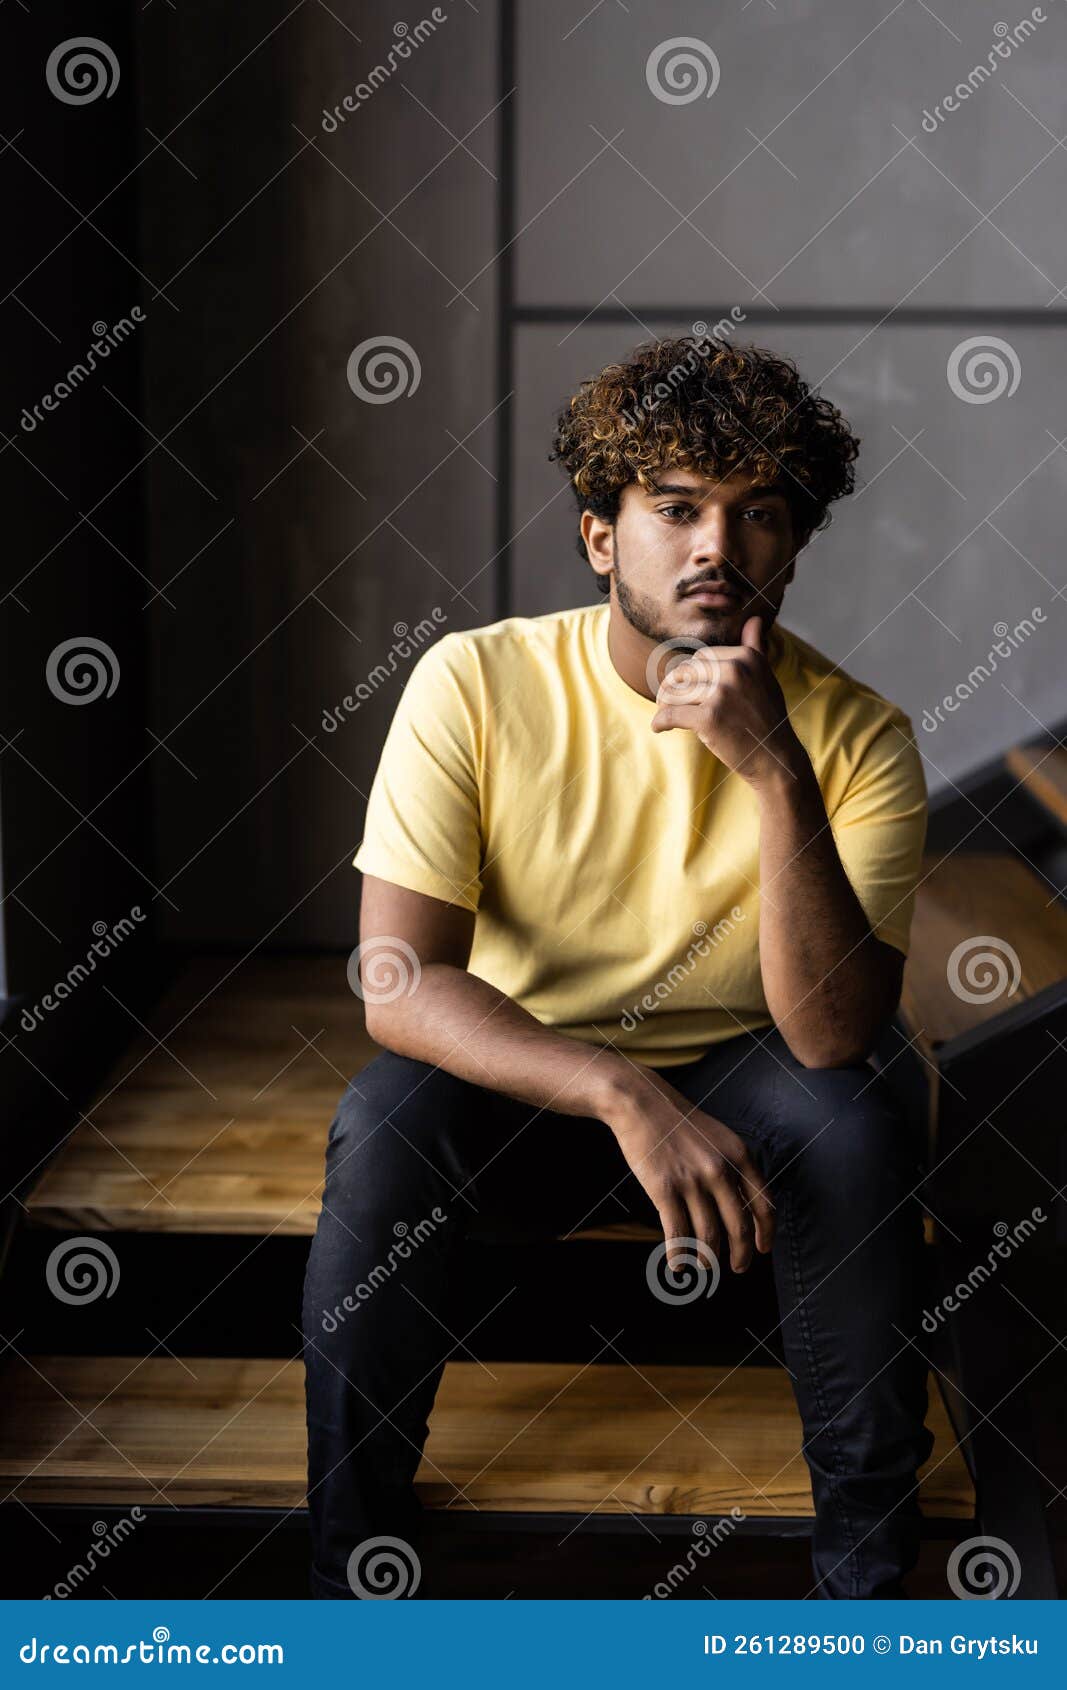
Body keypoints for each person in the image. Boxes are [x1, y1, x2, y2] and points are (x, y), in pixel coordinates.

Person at [301, 336, 935, 1600]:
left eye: (756, 513)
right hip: (529, 1073)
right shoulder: (472, 683)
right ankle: (349, 1574)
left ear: (793, 547)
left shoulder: (855, 733)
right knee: (380, 1122)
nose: (716, 546)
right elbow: (396, 981)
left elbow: (826, 1033)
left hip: (744, 1072)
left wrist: (772, 771)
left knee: (859, 1117)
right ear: (600, 537)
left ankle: (866, 1593)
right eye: (675, 509)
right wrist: (617, 1091)